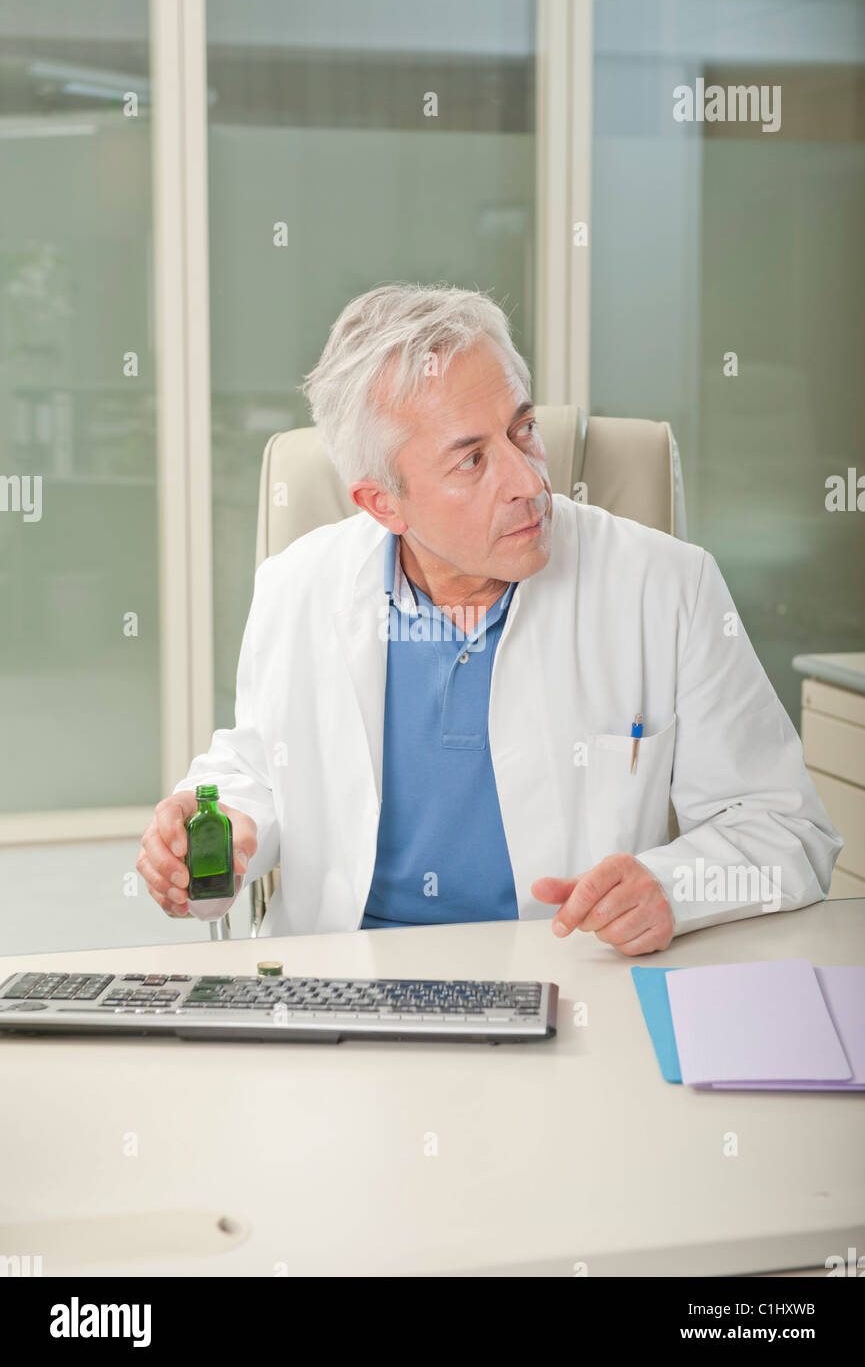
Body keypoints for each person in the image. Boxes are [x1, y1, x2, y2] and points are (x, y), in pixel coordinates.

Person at [137, 284, 842, 953]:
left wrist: (670, 887)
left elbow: (787, 831)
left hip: (566, 976)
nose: (529, 482)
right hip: (340, 981)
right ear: (384, 504)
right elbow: (263, 764)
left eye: (522, 430)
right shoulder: (297, 586)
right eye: (472, 459)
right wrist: (220, 829)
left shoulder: (666, 586)